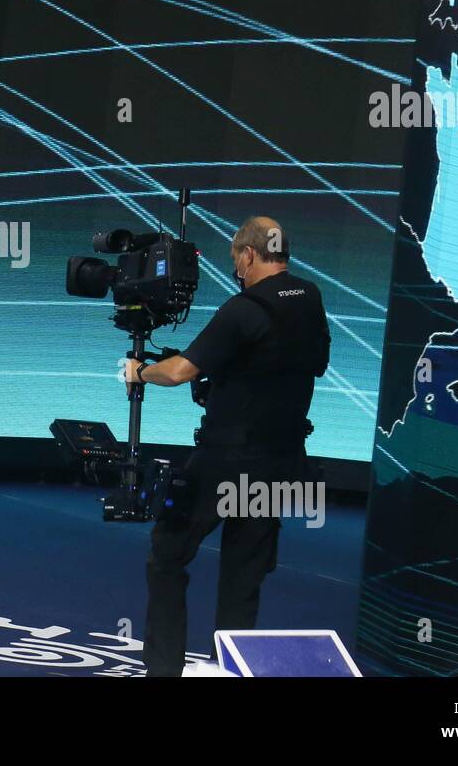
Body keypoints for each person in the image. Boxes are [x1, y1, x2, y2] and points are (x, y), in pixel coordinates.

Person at [124, 217, 330, 676]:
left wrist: (139, 372)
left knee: (168, 552)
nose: (236, 268)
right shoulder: (310, 298)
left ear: (250, 255)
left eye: (237, 258)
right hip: (284, 462)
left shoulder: (243, 309)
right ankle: (232, 669)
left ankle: (163, 670)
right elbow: (308, 363)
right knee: (244, 575)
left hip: (229, 460)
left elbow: (179, 372)